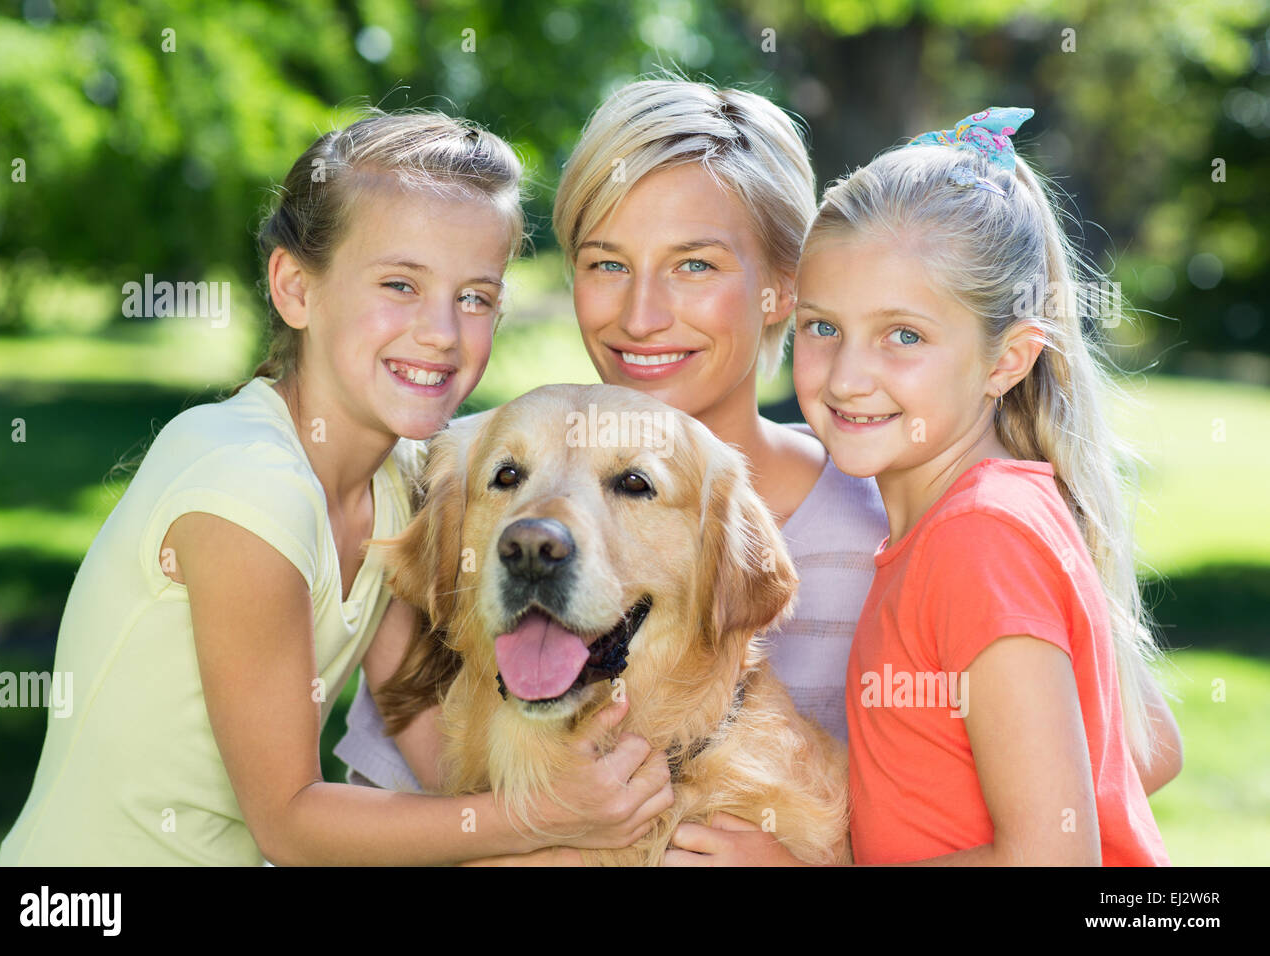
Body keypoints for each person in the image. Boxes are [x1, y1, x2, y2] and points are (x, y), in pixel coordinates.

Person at [0, 110, 672, 866]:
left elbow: (426, 731)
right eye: (399, 284)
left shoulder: (392, 487)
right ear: (295, 288)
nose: (442, 332)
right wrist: (543, 816)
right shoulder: (248, 484)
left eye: (474, 297)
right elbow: (291, 824)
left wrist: (615, 811)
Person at [335, 78, 889, 804]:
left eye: (695, 264)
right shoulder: (477, 491)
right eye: (607, 264)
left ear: (785, 287)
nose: (642, 315)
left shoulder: (883, 534)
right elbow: (380, 811)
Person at [783, 107, 1173, 865]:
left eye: (905, 336)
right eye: (822, 327)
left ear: (1007, 360)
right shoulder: (978, 520)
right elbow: (1147, 753)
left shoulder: (978, 539)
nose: (848, 375)